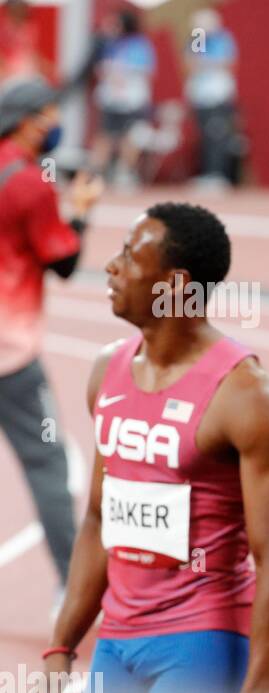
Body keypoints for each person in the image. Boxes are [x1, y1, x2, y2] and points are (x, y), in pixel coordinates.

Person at [32, 203, 269, 693]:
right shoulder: (108, 372)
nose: (110, 266)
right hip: (118, 645)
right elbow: (99, 517)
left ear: (176, 285)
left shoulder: (248, 396)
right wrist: (62, 643)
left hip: (201, 642)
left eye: (130, 255)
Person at [0, 77, 103, 606]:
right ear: (24, 120)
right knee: (47, 464)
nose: (53, 124)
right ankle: (73, 584)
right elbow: (62, 262)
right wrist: (81, 210)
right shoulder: (29, 184)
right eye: (46, 114)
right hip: (11, 357)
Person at [89, 9, 156, 189]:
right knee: (105, 135)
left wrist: (122, 74)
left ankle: (124, 172)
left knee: (130, 136)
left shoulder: (139, 44)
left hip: (132, 100)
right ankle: (95, 173)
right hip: (111, 100)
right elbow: (100, 68)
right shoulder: (110, 44)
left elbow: (145, 71)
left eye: (117, 23)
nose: (113, 27)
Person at [184, 7, 241, 188]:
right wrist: (198, 37)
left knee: (218, 134)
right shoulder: (198, 39)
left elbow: (228, 63)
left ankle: (218, 174)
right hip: (201, 95)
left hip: (218, 94)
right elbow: (191, 63)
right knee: (205, 136)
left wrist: (206, 63)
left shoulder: (223, 38)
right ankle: (208, 173)